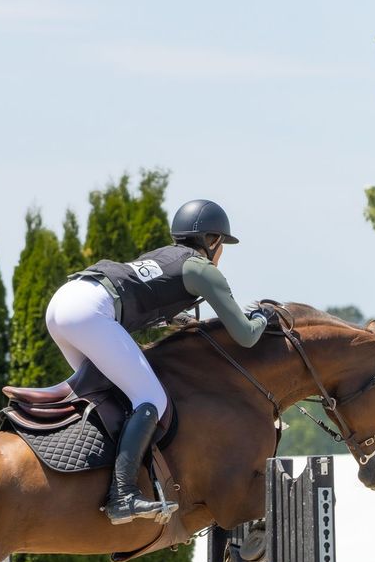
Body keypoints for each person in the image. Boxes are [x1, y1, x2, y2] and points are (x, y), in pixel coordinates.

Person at [43, 199, 268, 524]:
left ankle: (87, 475)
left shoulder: (164, 256)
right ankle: (122, 495)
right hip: (90, 311)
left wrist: (171, 320)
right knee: (151, 399)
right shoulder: (202, 268)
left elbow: (143, 296)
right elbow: (246, 335)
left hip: (65, 302)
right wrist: (261, 315)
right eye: (222, 245)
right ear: (213, 240)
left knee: (109, 397)